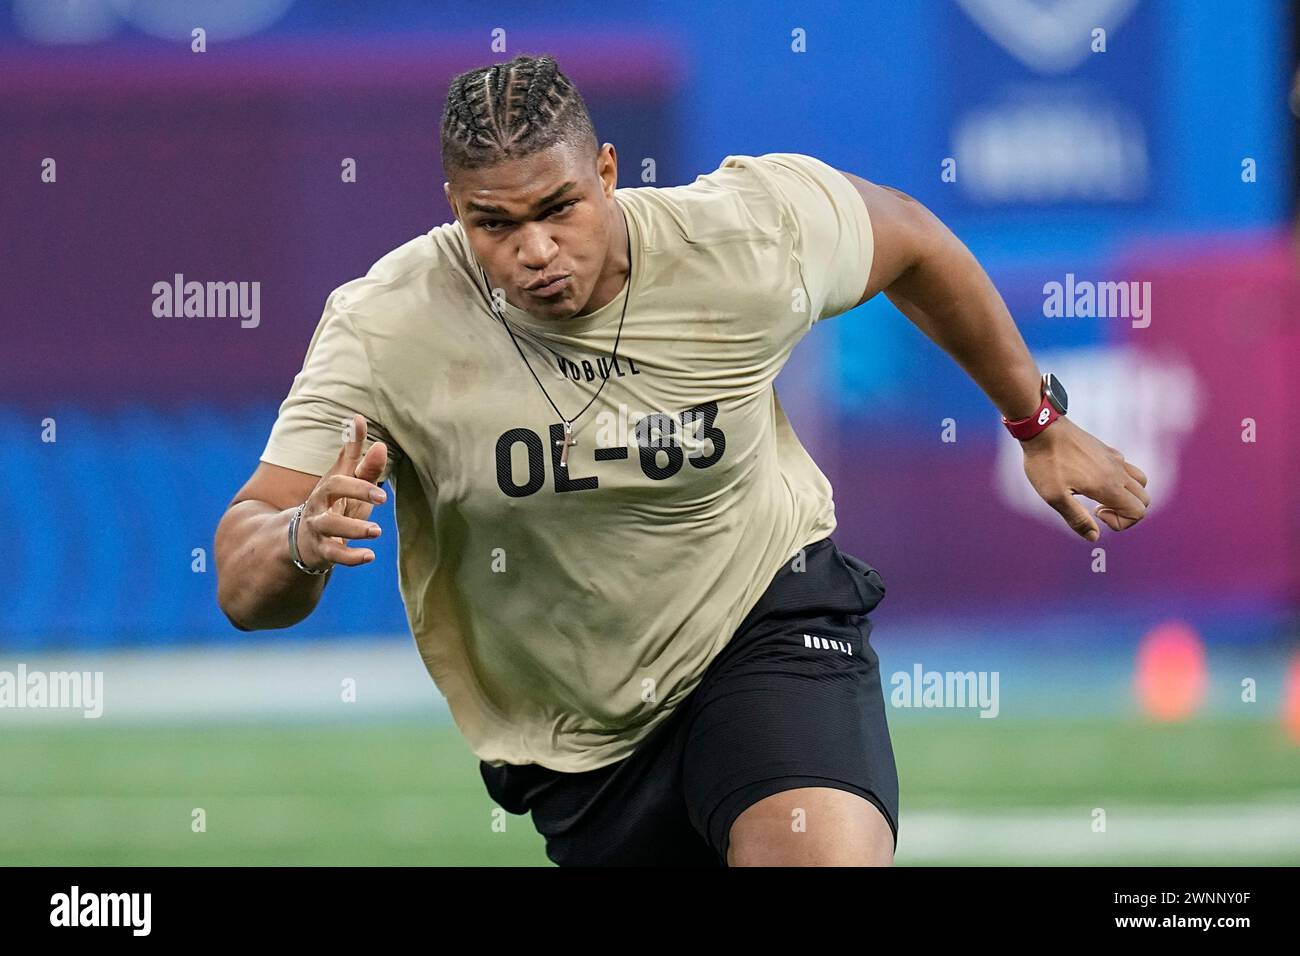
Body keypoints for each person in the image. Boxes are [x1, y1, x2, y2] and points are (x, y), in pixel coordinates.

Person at [214, 53, 1150, 866]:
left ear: (608, 172)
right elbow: (243, 573)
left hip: (764, 619)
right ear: (456, 211)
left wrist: (1035, 421)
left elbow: (910, 236)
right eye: (496, 224)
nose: (536, 249)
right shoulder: (388, 325)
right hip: (580, 738)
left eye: (559, 208)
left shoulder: (741, 237)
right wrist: (299, 537)